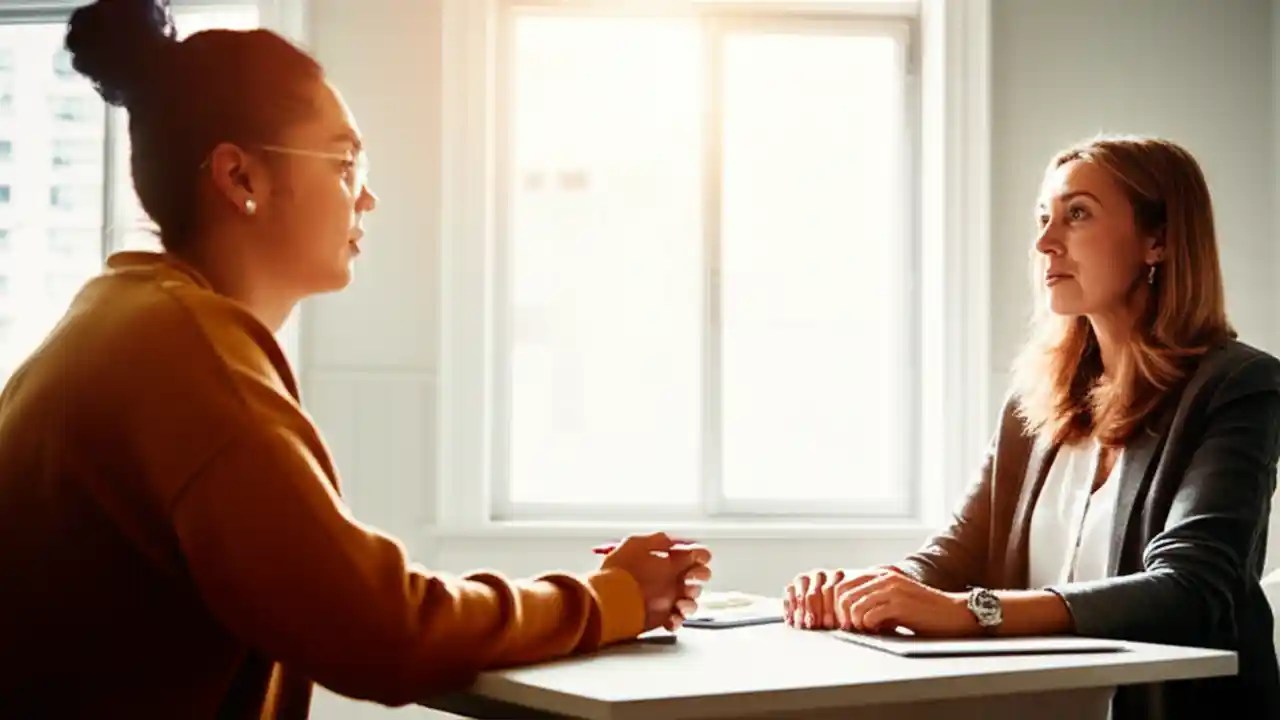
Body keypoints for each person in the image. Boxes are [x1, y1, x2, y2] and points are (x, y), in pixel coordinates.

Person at [0, 1, 711, 717]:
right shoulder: (182, 354)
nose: (366, 196)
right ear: (240, 178)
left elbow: (344, 595)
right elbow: (381, 629)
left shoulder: (122, 318)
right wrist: (609, 599)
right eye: (343, 163)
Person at [783, 136, 1280, 718]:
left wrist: (974, 611)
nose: (1045, 242)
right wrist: (870, 592)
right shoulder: (1035, 397)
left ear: (1159, 241)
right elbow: (959, 552)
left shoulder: (1240, 386)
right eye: (1043, 218)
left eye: (1078, 214)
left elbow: (1191, 589)